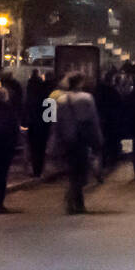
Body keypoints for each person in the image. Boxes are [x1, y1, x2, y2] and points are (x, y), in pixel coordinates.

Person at [53, 73, 103, 213]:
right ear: (80, 83)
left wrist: (55, 142)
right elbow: (93, 121)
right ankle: (75, 200)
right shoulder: (87, 98)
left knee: (72, 171)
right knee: (82, 171)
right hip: (82, 140)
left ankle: (74, 200)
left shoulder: (60, 99)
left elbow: (56, 122)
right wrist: (98, 139)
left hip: (67, 139)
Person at [24, 69, 52, 178]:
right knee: (41, 147)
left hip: (32, 123)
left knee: (33, 146)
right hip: (43, 124)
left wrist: (25, 122)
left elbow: (26, 108)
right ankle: (39, 169)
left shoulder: (30, 94)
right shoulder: (46, 93)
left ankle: (35, 169)